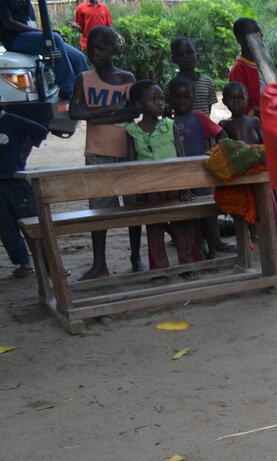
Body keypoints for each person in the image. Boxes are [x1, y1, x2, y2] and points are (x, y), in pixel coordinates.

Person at [68, 25, 140, 279]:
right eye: (91, 48)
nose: (93, 53)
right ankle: (100, 264)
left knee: (133, 208)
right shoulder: (84, 79)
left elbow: (133, 111)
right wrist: (108, 111)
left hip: (127, 151)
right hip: (97, 153)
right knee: (99, 210)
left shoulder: (126, 78)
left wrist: (96, 114)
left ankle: (136, 257)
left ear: (113, 50)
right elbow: (74, 113)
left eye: (100, 49)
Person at [125, 81, 201, 275]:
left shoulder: (169, 125)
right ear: (139, 105)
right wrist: (138, 191)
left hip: (175, 185)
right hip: (150, 189)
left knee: (183, 225)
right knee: (154, 229)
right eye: (153, 100)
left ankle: (188, 265)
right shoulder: (132, 131)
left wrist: (185, 186)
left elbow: (181, 156)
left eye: (161, 99)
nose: (160, 103)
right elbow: (131, 165)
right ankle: (159, 270)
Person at [218, 81, 277, 257]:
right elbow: (225, 149)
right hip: (240, 173)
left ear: (246, 99)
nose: (236, 103)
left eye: (240, 99)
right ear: (225, 102)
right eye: (232, 99)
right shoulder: (224, 124)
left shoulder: (254, 121)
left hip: (259, 170)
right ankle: (253, 238)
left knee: (269, 204)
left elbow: (264, 143)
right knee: (246, 205)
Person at [170, 77, 229, 259]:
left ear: (192, 98)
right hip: (179, 176)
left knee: (208, 213)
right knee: (190, 214)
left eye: (186, 97)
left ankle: (212, 248)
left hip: (202, 173)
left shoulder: (199, 117)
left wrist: (216, 153)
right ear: (170, 99)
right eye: (177, 98)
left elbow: (221, 134)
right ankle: (198, 247)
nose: (181, 101)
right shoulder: (167, 121)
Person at [0, 0, 88, 99]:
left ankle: (87, 93)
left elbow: (31, 22)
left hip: (30, 36)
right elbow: (9, 23)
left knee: (78, 57)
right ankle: (68, 88)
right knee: (54, 38)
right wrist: (45, 33)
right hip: (15, 39)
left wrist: (47, 33)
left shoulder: (26, 2)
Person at [0, 109, 46, 278]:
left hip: (16, 180)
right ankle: (23, 263)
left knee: (31, 223)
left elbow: (41, 130)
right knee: (6, 228)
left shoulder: (13, 121)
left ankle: (47, 263)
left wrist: (27, 147)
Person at [168, 37, 216, 117]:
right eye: (180, 54)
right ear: (173, 59)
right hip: (180, 128)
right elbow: (167, 110)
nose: (185, 57)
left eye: (189, 52)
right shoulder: (170, 85)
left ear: (197, 55)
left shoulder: (207, 82)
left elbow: (208, 109)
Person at [229, 18, 265, 114]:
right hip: (256, 121)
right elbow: (239, 104)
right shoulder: (238, 69)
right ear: (240, 40)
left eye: (260, 35)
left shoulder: (263, 62)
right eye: (255, 36)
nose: (260, 39)